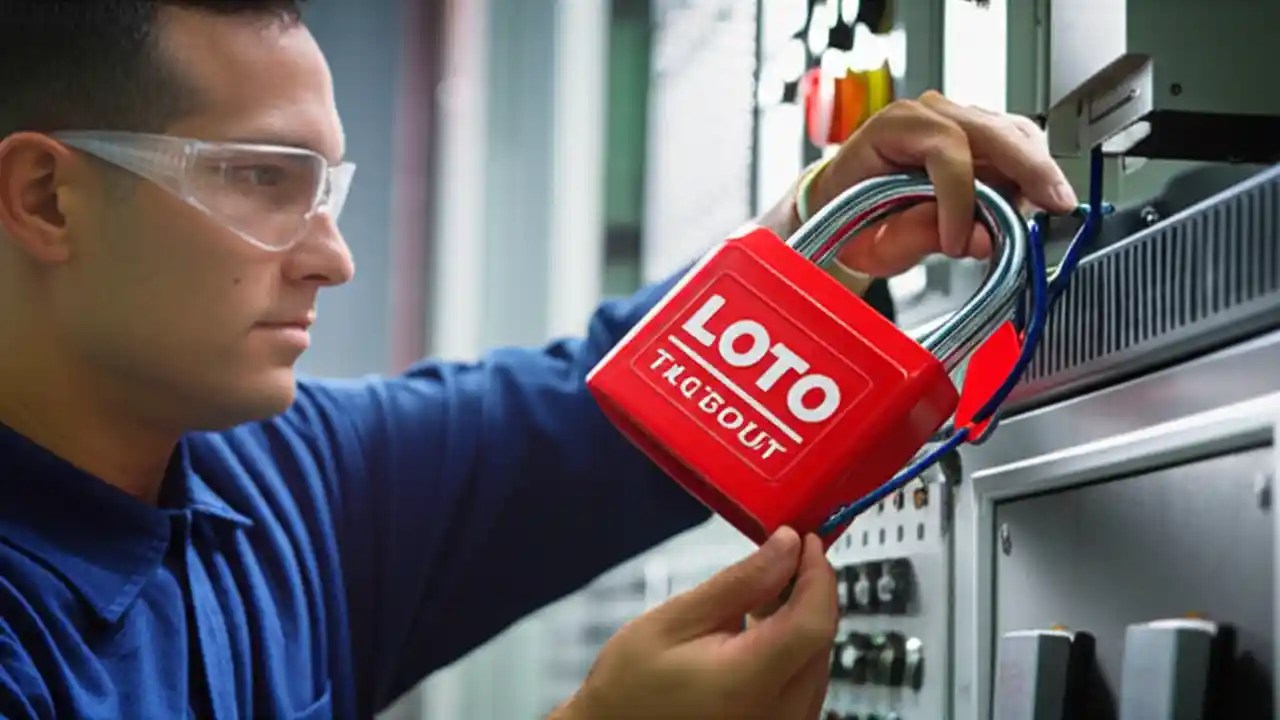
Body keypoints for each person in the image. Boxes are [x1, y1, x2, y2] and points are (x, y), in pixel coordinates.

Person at [0, 1, 1078, 718]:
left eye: (327, 188)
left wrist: (816, 235)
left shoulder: (276, 478)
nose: (332, 259)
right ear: (49, 197)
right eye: (260, 180)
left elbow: (600, 410)